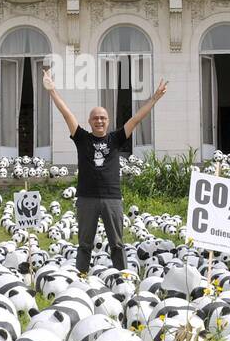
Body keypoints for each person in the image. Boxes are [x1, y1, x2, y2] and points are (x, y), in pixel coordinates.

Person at [42, 68, 168, 275]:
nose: (99, 121)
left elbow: (135, 119)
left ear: (108, 121)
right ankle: (81, 278)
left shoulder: (115, 139)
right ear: (90, 122)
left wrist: (154, 98)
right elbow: (67, 114)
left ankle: (123, 278)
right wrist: (52, 90)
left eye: (103, 118)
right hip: (86, 198)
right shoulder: (82, 137)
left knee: (117, 243)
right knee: (84, 244)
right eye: (95, 118)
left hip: (112, 198)